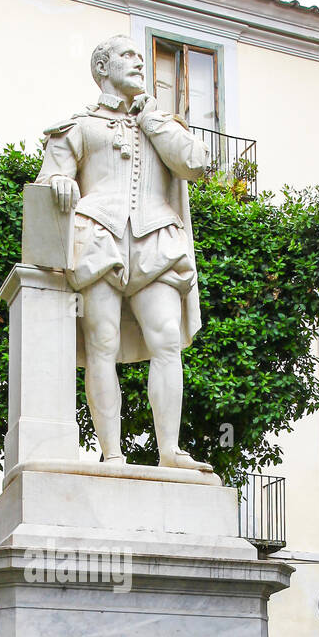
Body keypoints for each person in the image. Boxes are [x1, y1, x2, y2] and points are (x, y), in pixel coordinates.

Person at [36, 35, 212, 470]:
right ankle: (112, 453)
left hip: (156, 237)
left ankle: (169, 451)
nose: (139, 63)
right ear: (102, 67)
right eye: (127, 56)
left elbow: (194, 163)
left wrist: (153, 121)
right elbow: (48, 180)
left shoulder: (162, 122)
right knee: (102, 341)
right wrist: (59, 181)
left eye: (140, 57)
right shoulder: (79, 124)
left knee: (167, 338)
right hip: (98, 235)